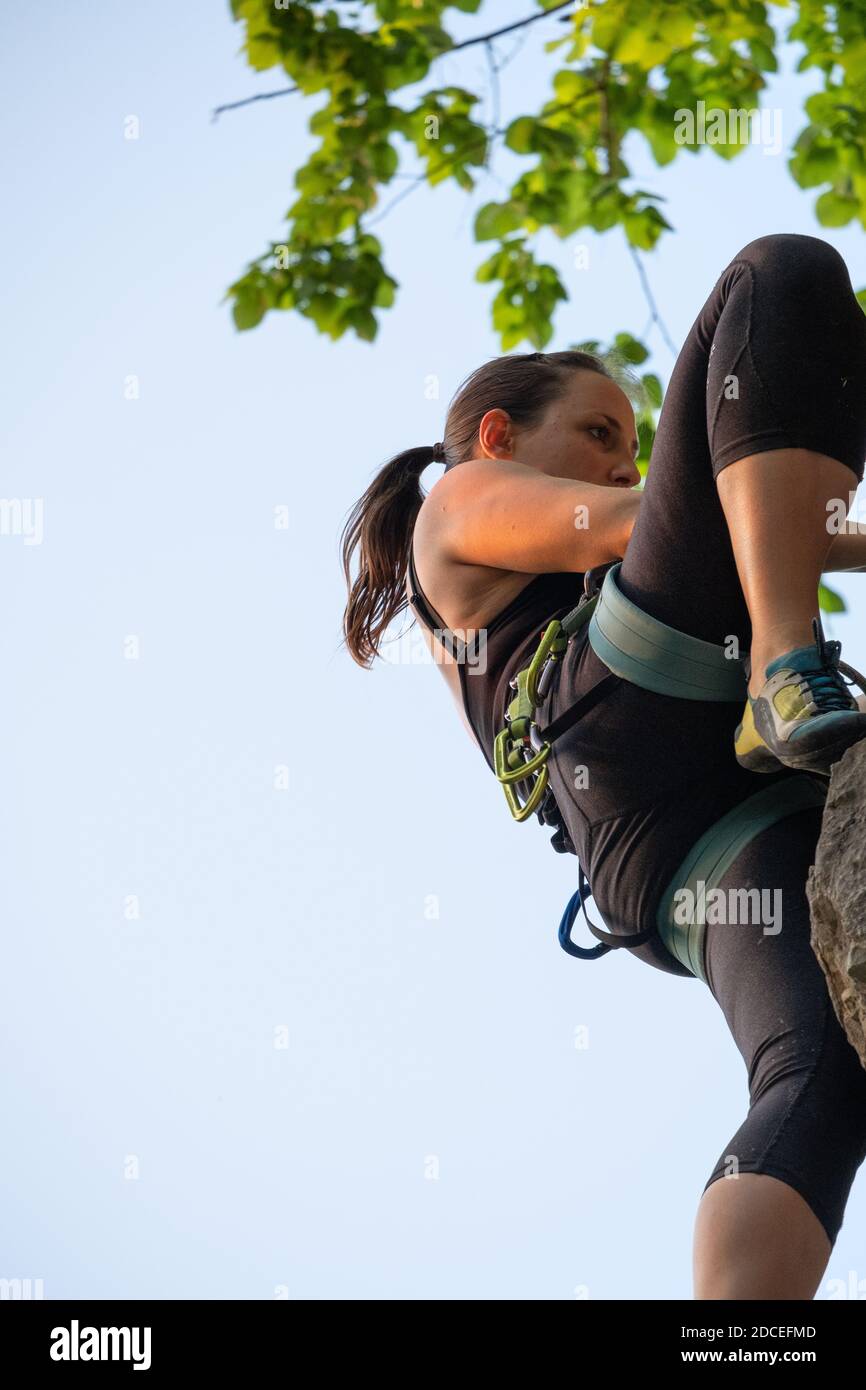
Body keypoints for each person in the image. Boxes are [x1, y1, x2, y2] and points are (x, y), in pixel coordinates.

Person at [340, 233, 866, 1299]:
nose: (629, 465)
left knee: (819, 1079)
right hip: (622, 709)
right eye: (599, 433)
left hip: (682, 854)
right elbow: (616, 524)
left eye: (632, 446)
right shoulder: (458, 501)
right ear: (498, 436)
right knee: (776, 278)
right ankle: (783, 660)